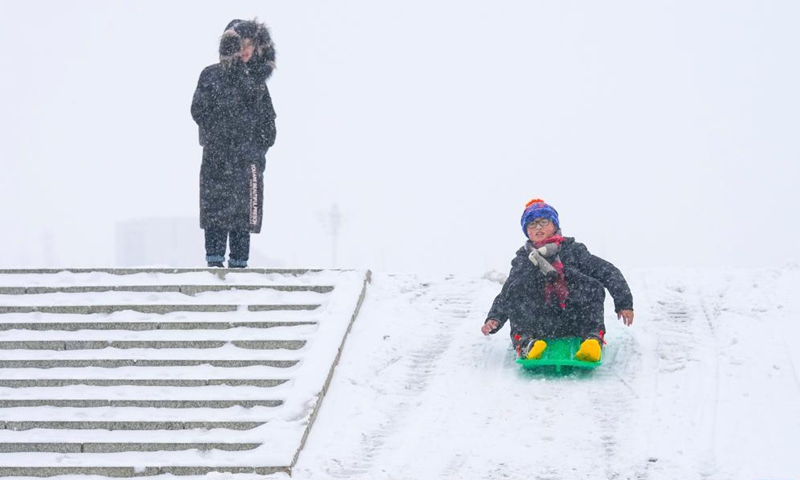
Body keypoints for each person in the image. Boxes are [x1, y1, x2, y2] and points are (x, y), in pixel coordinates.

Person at [480, 199, 634, 362]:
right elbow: (507, 293)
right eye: (532, 224)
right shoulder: (523, 260)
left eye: (543, 222)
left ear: (554, 225)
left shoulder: (574, 250)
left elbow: (607, 271)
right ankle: (526, 344)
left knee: (591, 284)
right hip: (540, 325)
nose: (538, 227)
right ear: (527, 231)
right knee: (517, 286)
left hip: (575, 319)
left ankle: (592, 340)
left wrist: (624, 304)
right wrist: (494, 318)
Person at [191, 19, 277, 268]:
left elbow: (268, 124)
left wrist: (256, 149)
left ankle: (239, 269)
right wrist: (220, 134)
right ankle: (214, 268)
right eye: (241, 44)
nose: (246, 49)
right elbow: (198, 110)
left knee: (242, 220)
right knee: (216, 215)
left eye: (251, 44)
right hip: (217, 158)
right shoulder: (210, 75)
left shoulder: (258, 84)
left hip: (246, 162)